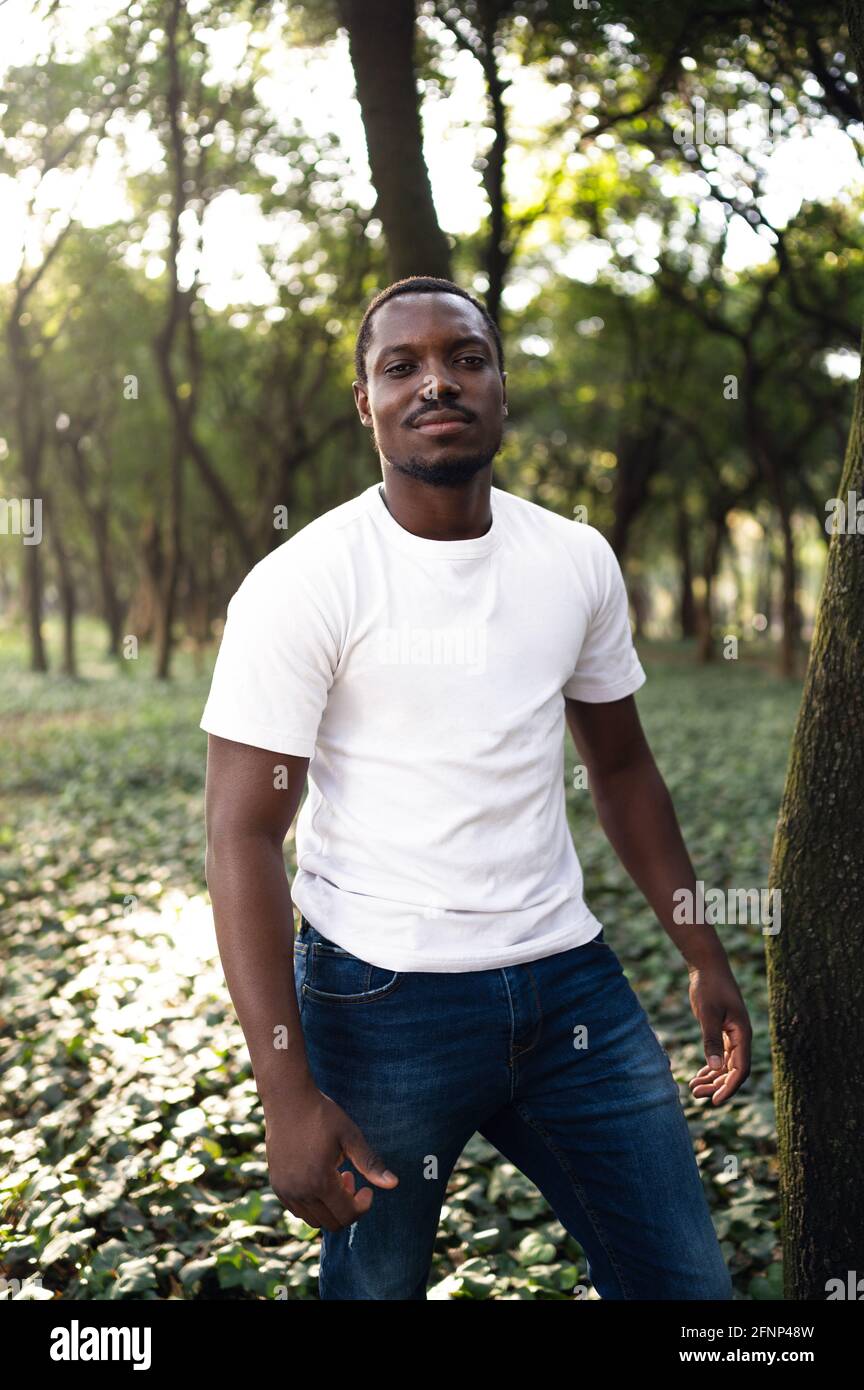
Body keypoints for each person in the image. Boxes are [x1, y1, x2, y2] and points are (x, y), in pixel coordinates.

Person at [200, 275, 750, 1301]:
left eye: (465, 357)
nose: (436, 382)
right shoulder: (304, 582)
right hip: (380, 1000)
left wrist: (701, 948)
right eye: (400, 366)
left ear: (501, 383)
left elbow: (622, 767)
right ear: (365, 402)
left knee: (690, 1292)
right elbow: (242, 836)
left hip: (570, 984)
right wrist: (285, 1089)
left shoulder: (575, 559)